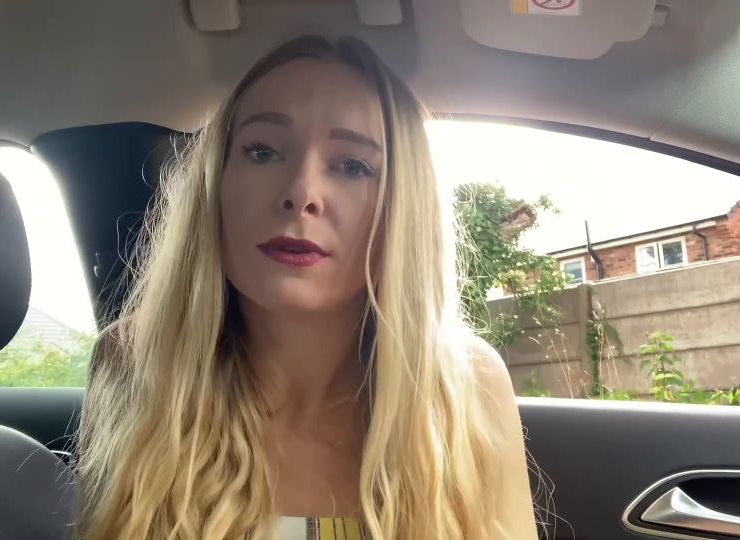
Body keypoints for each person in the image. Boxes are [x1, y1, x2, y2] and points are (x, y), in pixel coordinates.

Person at [76, 35, 538, 540]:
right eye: (262, 151)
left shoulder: (467, 384)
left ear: (402, 208)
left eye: (352, 166)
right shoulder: (134, 362)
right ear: (216, 185)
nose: (301, 192)